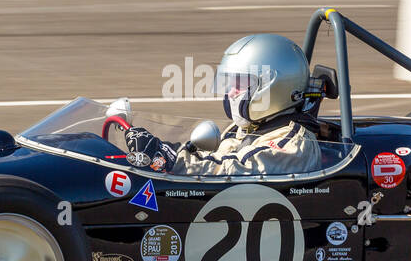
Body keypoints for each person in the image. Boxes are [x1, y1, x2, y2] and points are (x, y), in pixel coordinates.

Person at [122, 34, 323, 176]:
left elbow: (232, 169)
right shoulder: (246, 129)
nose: (231, 93)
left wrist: (174, 161)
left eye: (240, 84)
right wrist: (166, 150)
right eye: (230, 83)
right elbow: (216, 156)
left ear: (274, 86)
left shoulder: (292, 144)